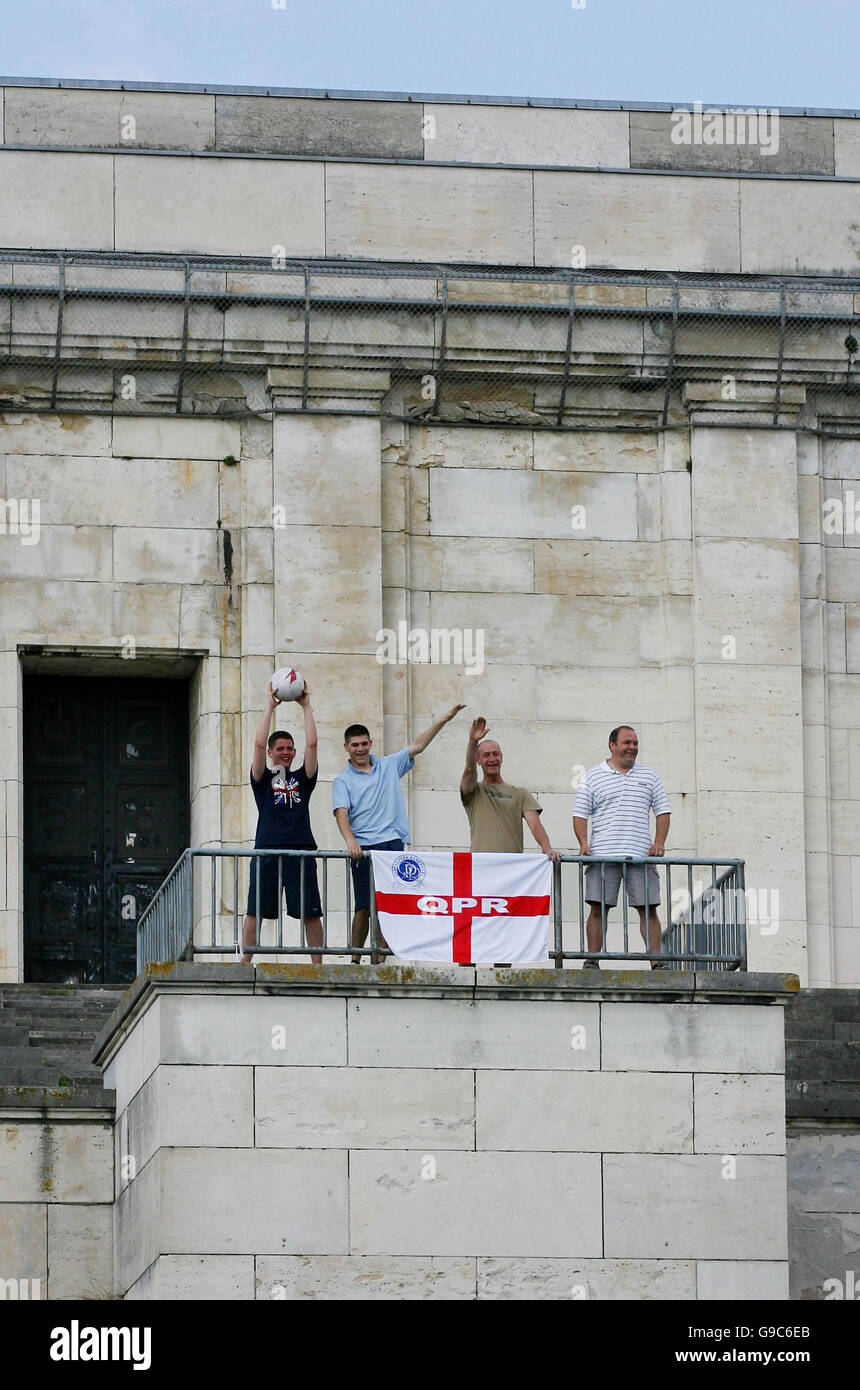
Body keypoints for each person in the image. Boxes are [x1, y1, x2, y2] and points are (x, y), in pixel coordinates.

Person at [333, 704, 465, 963]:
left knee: (388, 906)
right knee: (363, 906)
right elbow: (341, 813)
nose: (360, 749)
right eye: (354, 745)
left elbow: (418, 745)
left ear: (371, 743)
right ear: (346, 747)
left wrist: (445, 719)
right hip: (364, 849)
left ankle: (380, 960)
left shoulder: (389, 765)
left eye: (364, 743)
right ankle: (355, 960)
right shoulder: (342, 780)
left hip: (392, 845)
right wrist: (350, 841)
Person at [572, 725, 671, 970]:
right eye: (627, 742)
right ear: (612, 745)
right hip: (602, 856)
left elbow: (663, 811)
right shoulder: (593, 776)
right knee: (598, 908)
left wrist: (659, 843)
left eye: (635, 743)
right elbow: (579, 814)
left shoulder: (649, 776)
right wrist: (584, 844)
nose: (633, 747)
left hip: (640, 856)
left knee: (648, 909)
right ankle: (592, 961)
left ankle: (657, 963)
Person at [241, 679, 323, 965]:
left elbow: (312, 743)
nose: (286, 752)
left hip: (301, 851)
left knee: (311, 910)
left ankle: (318, 966)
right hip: (267, 850)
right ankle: (245, 962)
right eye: (280, 749)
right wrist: (269, 707)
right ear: (271, 753)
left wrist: (306, 706)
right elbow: (258, 742)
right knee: (255, 910)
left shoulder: (302, 778)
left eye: (290, 748)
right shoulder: (262, 780)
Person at [460, 716, 560, 860]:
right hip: (480, 865)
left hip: (511, 868)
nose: (492, 759)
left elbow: (535, 825)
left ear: (502, 757)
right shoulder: (474, 791)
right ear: (479, 760)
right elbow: (469, 769)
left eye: (496, 754)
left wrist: (547, 848)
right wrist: (472, 742)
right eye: (486, 755)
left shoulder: (520, 793)